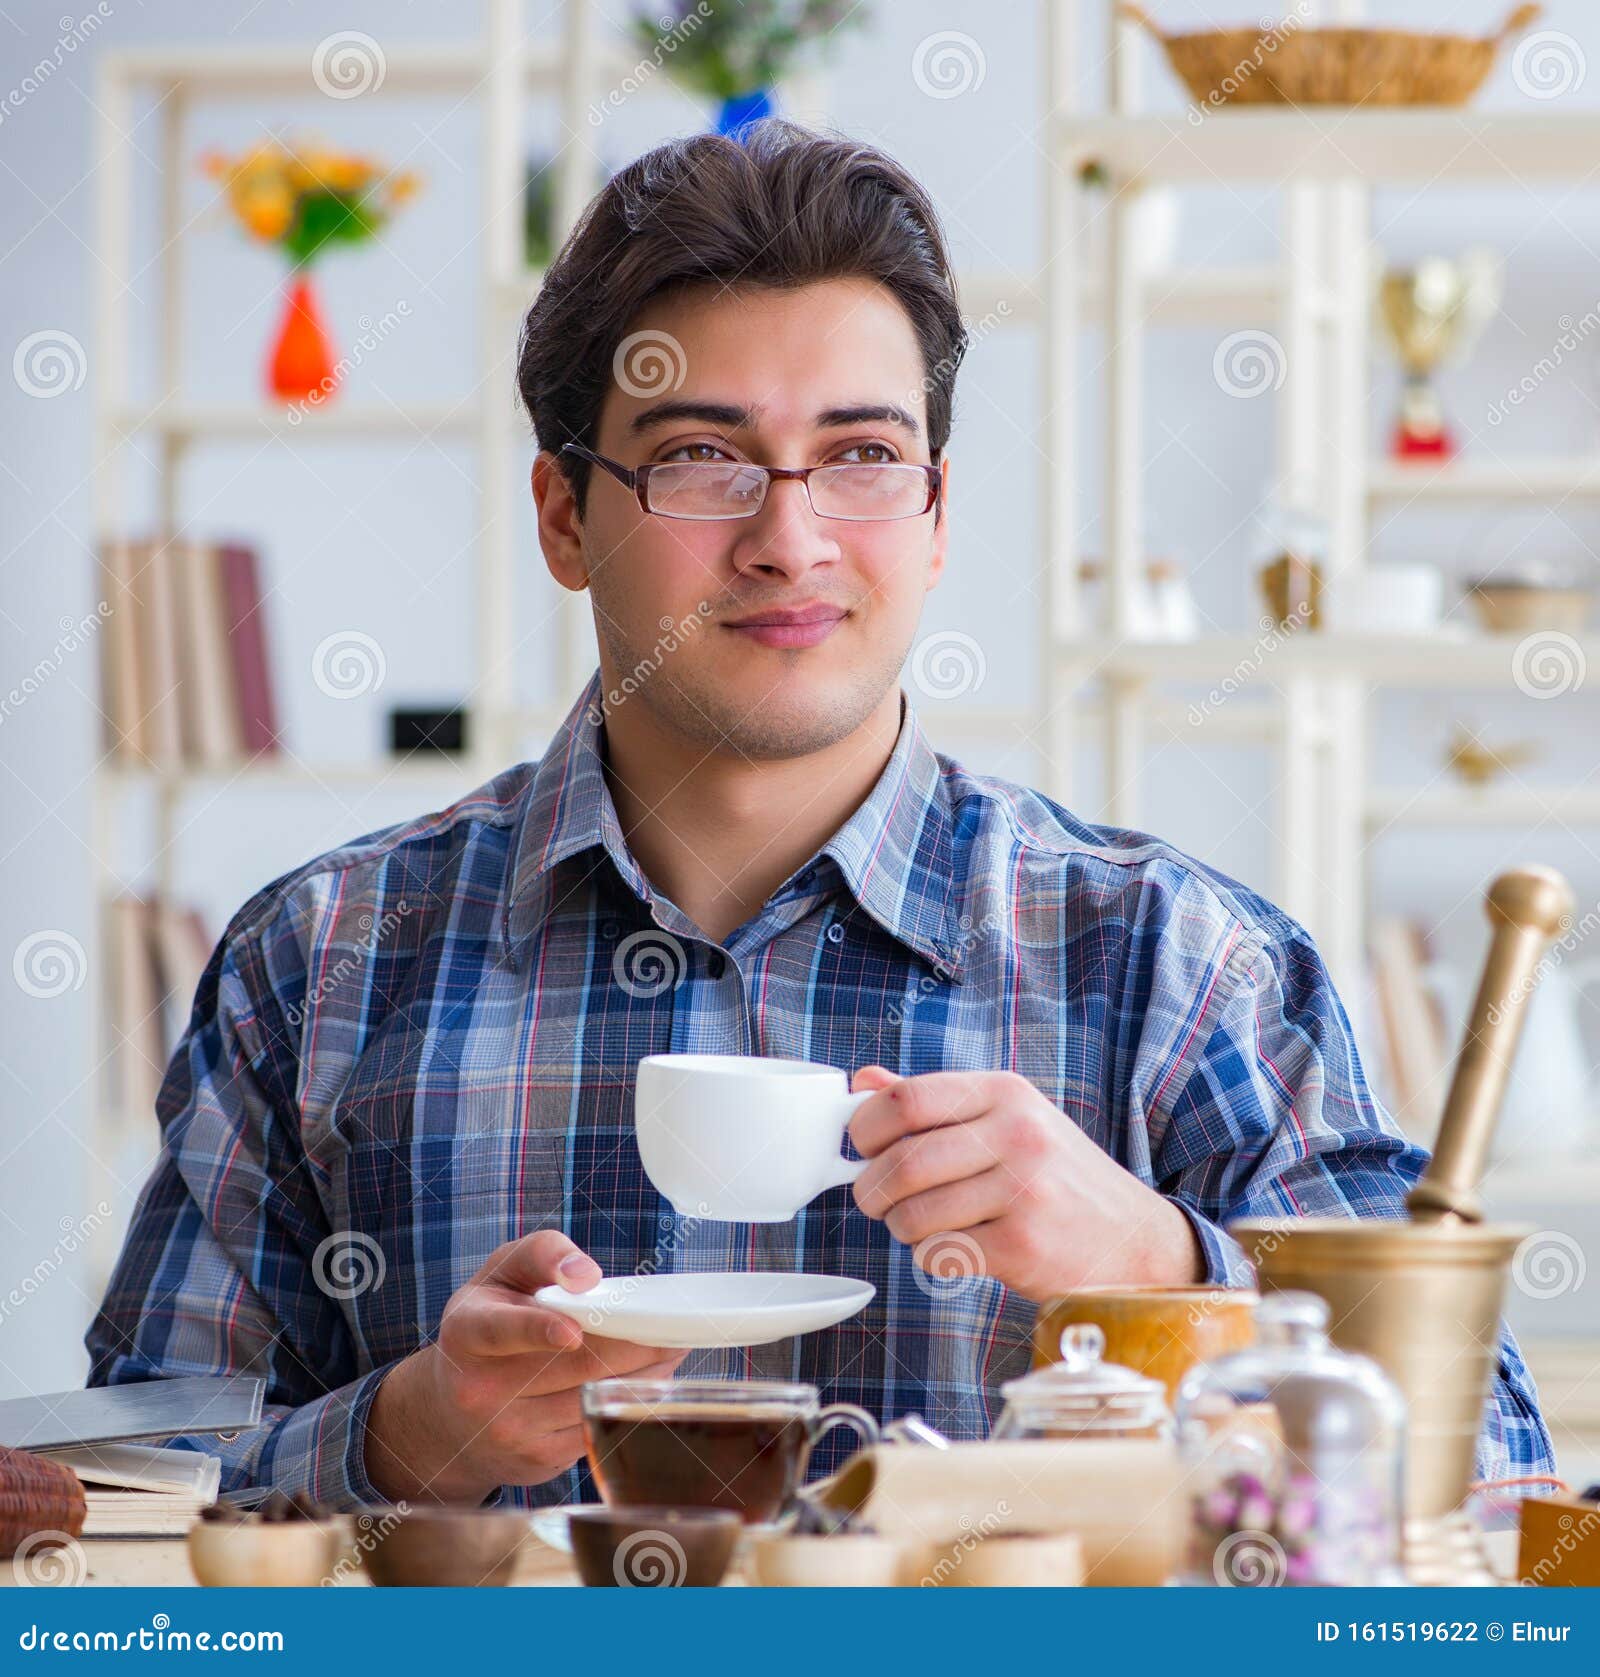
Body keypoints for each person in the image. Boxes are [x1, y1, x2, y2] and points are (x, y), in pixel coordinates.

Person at [87, 122, 1553, 1508]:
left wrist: (1169, 1270)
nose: (789, 539)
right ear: (560, 515)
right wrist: (407, 1434)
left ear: (934, 513)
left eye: (860, 457)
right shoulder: (324, 958)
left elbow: (1484, 1470)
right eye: (699, 458)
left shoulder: (1174, 963)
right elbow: (129, 1489)